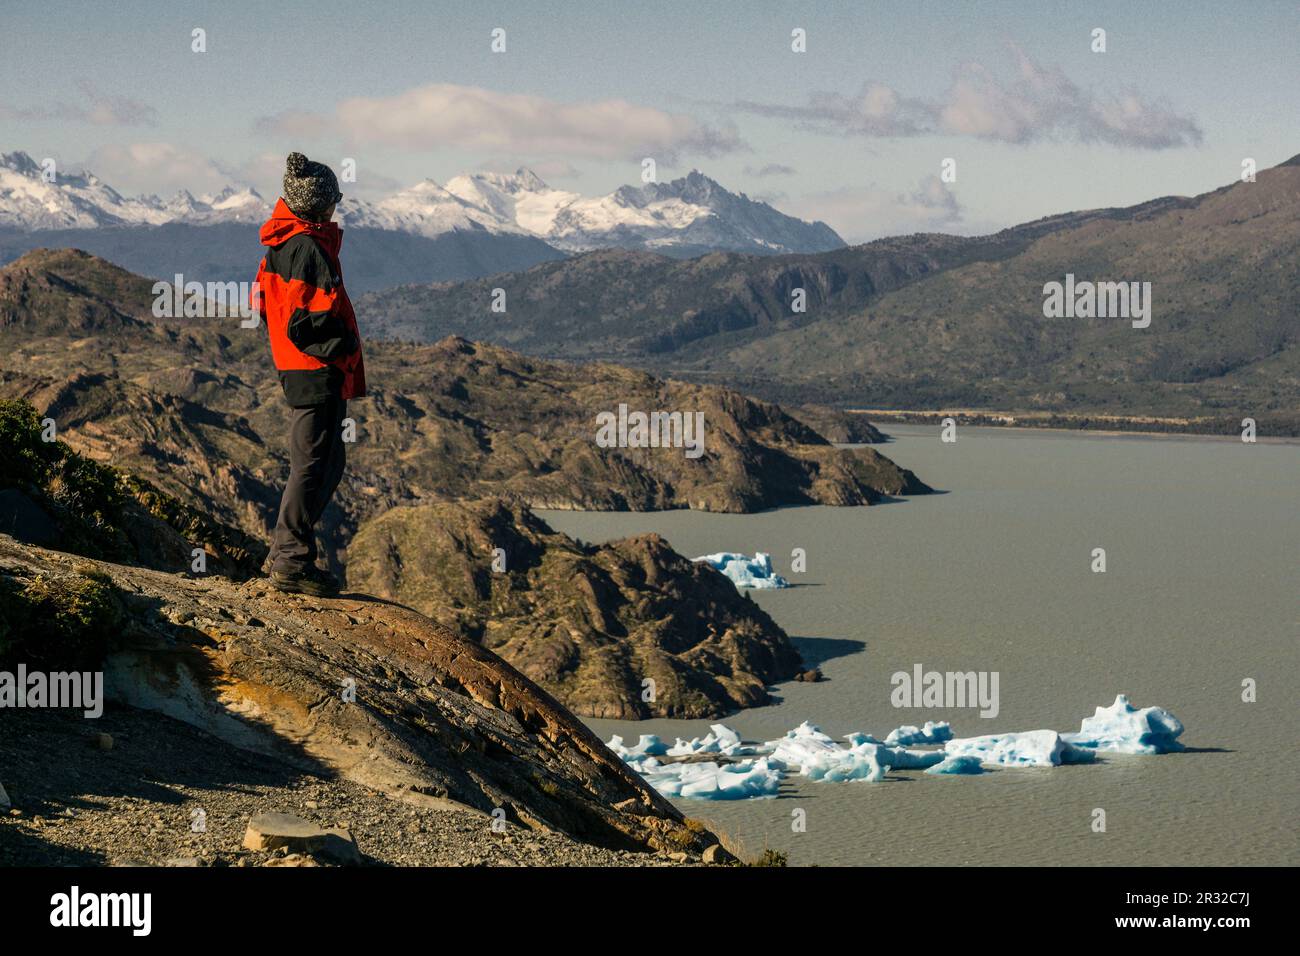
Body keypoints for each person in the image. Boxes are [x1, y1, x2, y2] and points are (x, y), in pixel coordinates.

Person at [252, 152, 366, 596]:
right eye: (334, 199)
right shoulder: (306, 247)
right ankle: (291, 561)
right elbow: (307, 321)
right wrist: (344, 346)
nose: (337, 206)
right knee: (314, 465)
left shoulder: (284, 242)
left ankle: (286, 552)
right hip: (315, 371)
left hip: (301, 367)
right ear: (320, 205)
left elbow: (266, 307)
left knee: (326, 462)